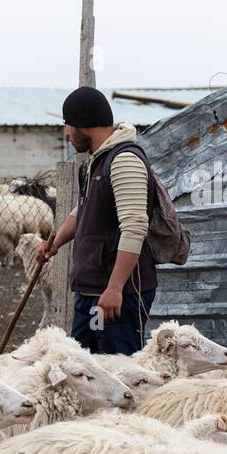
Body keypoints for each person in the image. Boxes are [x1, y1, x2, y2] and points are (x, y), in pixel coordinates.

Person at [37, 86, 157, 355]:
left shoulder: (124, 160)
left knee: (117, 372)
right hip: (92, 291)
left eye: (67, 125)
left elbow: (135, 226)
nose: (67, 133)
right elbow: (84, 211)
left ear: (82, 123)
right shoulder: (97, 162)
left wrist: (115, 288)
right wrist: (54, 243)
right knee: (83, 367)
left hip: (115, 296)